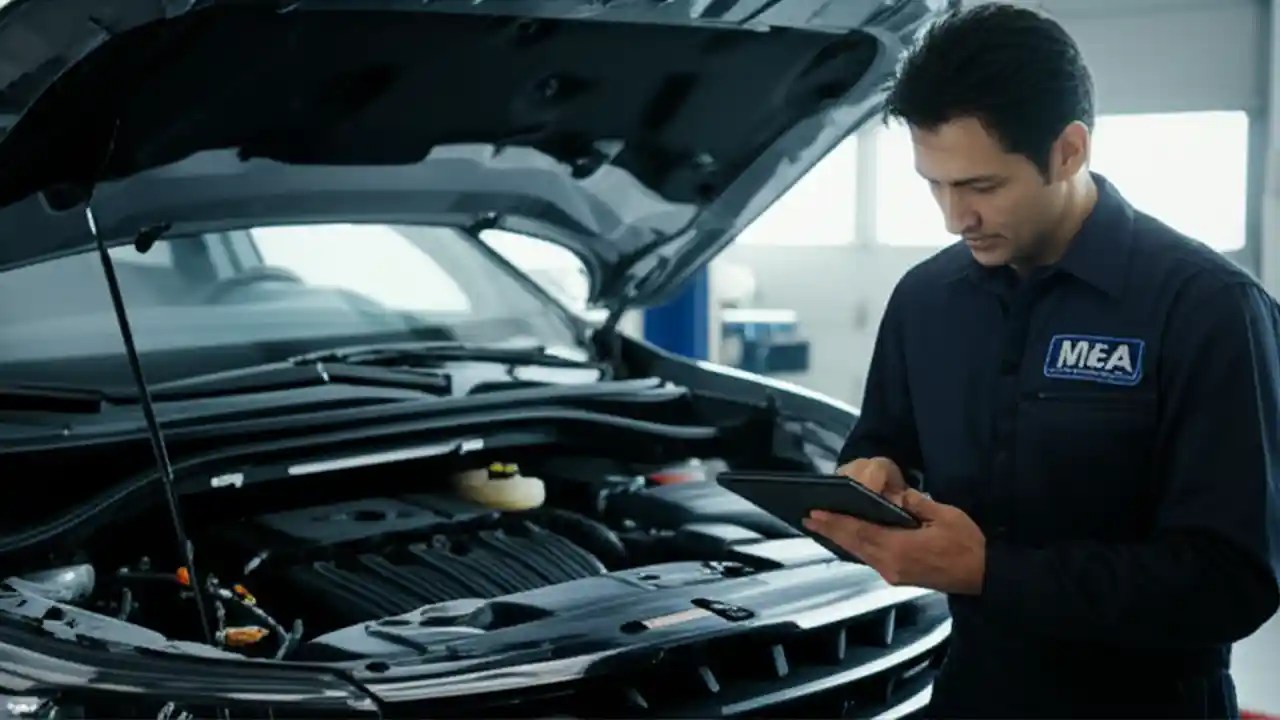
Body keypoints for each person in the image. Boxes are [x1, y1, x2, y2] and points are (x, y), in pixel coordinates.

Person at [800, 4, 1280, 718]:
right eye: (934, 184)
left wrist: (990, 570)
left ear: (1068, 151)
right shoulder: (927, 300)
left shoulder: (1208, 309)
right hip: (966, 695)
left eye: (982, 187)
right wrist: (873, 477)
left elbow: (1232, 581)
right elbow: (883, 440)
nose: (952, 217)